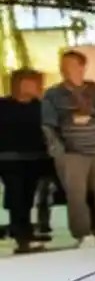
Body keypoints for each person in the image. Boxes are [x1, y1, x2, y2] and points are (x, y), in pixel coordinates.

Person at [42, 50, 95, 247]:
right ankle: (82, 233)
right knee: (76, 195)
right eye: (63, 66)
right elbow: (48, 124)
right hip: (72, 152)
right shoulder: (53, 94)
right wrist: (57, 150)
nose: (65, 69)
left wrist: (91, 115)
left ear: (82, 67)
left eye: (70, 65)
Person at [0, 69, 54, 253]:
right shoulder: (4, 106)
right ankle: (19, 229)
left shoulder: (40, 107)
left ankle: (25, 228)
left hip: (36, 158)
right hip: (9, 158)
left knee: (29, 195)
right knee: (16, 194)